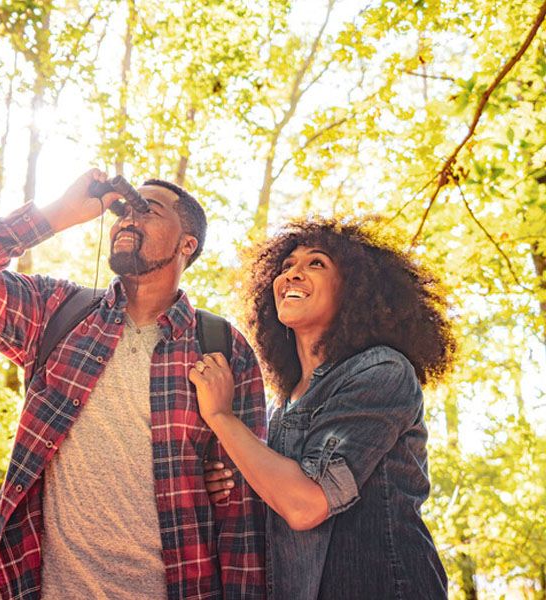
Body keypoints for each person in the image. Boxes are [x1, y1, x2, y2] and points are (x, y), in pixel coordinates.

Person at [0, 169, 267, 600]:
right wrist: (58, 214)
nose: (127, 219)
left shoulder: (222, 347)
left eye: (148, 210)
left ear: (187, 244)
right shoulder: (57, 312)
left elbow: (242, 515)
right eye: (123, 210)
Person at [191, 219, 455, 599]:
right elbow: (277, 502)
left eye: (316, 263)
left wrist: (221, 417)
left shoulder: (381, 370)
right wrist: (227, 485)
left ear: (354, 290)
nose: (292, 275)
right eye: (285, 267)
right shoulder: (276, 408)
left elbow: (305, 504)